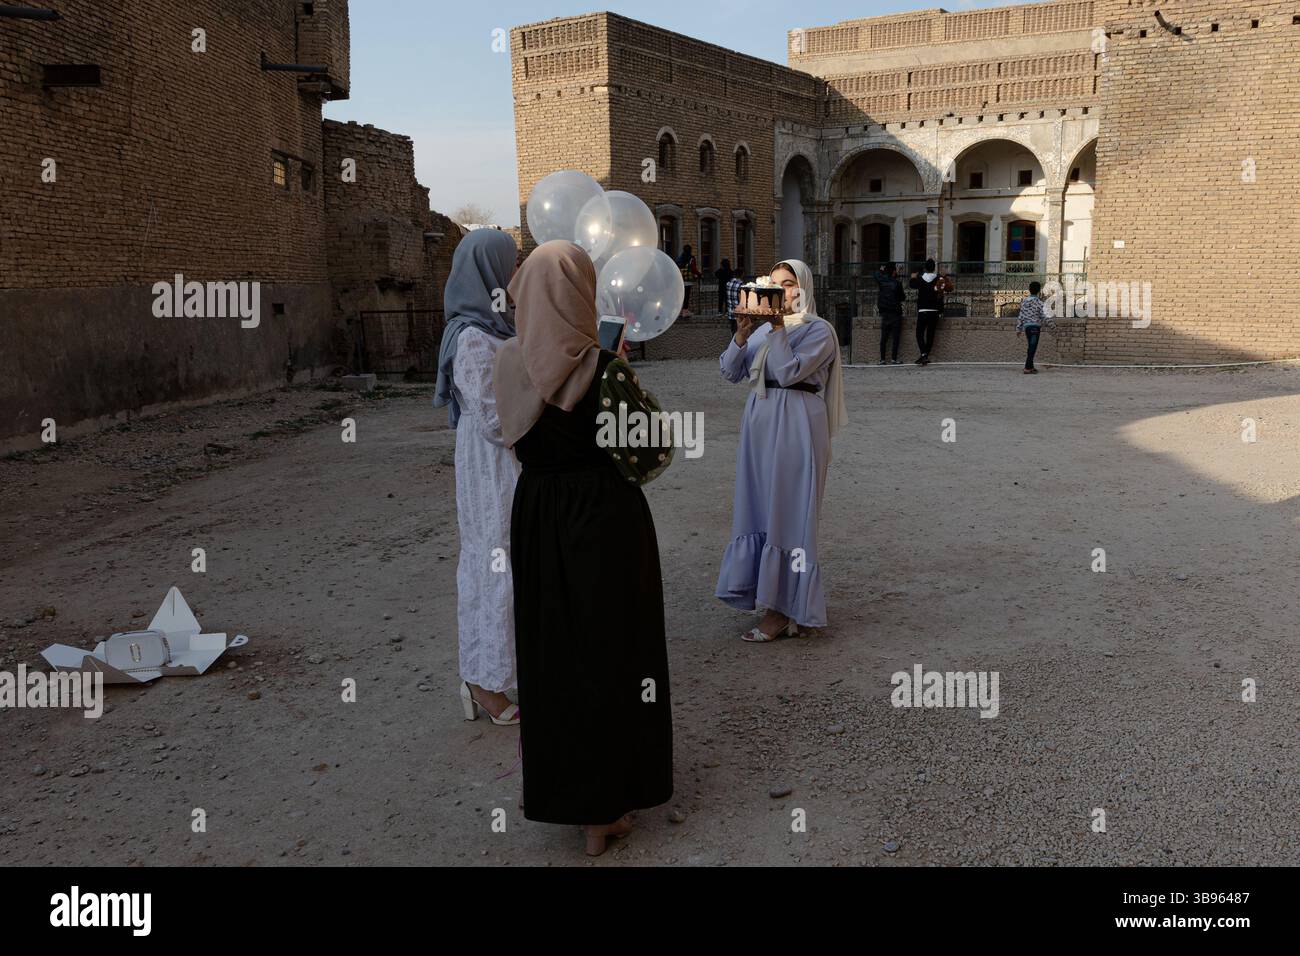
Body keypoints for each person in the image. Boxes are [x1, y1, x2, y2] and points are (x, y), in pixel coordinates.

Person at [494, 240, 674, 856]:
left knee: (555, 657)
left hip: (538, 518)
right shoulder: (602, 370)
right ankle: (608, 808)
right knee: (612, 653)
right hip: (603, 523)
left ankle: (572, 801)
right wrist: (628, 379)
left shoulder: (506, 363)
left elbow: (515, 445)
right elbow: (652, 455)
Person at [716, 259, 848, 641]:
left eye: (788, 284)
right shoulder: (764, 330)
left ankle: (782, 610)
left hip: (797, 424)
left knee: (789, 511)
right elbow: (730, 372)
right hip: (759, 425)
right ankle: (768, 597)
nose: (779, 291)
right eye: (773, 283)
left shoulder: (818, 330)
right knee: (757, 507)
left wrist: (775, 328)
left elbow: (789, 371)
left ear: (802, 287)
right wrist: (741, 335)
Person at [433, 229, 521, 727]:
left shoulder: (499, 325)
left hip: (508, 459)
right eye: (509, 264)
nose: (514, 274)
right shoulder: (470, 336)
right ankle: (483, 682)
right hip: (492, 463)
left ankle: (502, 669)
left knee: (511, 562)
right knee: (494, 562)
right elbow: (492, 419)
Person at [909, 259, 950, 365]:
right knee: (930, 334)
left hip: (923, 310)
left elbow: (912, 285)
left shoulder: (920, 278)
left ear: (925, 268)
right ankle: (925, 355)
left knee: (919, 333)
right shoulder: (938, 278)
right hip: (934, 311)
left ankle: (923, 354)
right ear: (934, 268)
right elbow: (945, 288)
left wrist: (913, 276)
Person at [874, 262, 905, 365]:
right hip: (895, 312)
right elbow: (902, 297)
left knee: (884, 337)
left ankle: (882, 359)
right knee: (895, 337)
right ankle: (893, 359)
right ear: (893, 271)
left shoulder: (882, 281)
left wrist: (882, 269)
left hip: (885, 312)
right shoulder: (897, 283)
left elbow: (876, 274)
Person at [1016, 280, 1047, 374]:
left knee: (1031, 347)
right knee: (1032, 347)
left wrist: (1018, 328)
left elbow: (1021, 315)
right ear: (1039, 291)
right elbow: (1044, 316)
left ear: (1029, 290)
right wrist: (1053, 326)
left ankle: (1031, 366)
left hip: (1027, 328)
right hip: (1035, 328)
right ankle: (1027, 368)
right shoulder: (1039, 303)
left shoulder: (1024, 302)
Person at [677, 245, 700, 316]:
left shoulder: (679, 258)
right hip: (688, 279)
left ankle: (679, 311)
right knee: (686, 296)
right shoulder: (691, 258)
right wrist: (699, 274)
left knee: (681, 296)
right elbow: (693, 269)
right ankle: (685, 311)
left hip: (680, 279)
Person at [725, 268, 745, 335]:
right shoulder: (741, 284)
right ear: (742, 275)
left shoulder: (728, 283)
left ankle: (733, 341)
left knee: (733, 329)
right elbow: (741, 298)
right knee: (739, 329)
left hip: (730, 310)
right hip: (738, 311)